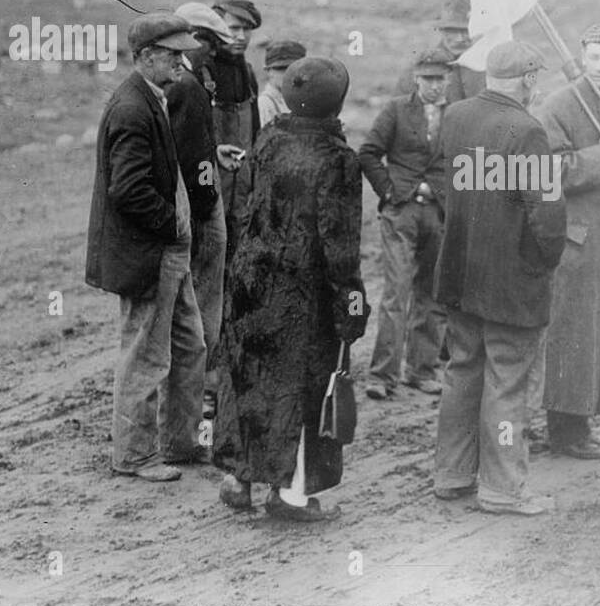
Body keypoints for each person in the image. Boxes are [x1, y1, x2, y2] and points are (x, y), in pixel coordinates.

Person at [213, 57, 370, 521]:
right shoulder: (338, 160)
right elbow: (340, 248)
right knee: (300, 390)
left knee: (246, 376)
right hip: (303, 294)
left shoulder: (268, 139)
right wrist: (353, 307)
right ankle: (290, 496)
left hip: (249, 279)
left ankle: (238, 478)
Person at [432, 40, 567, 515]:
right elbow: (548, 218)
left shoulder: (456, 115)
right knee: (507, 381)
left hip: (461, 273)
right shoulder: (528, 130)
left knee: (463, 371)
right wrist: (541, 264)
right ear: (528, 80)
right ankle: (503, 488)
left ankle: (451, 474)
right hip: (511, 280)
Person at [84, 12, 208, 481]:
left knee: (190, 344)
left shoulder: (152, 97)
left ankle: (179, 443)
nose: (181, 61)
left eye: (182, 52)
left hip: (166, 254)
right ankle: (133, 455)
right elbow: (128, 189)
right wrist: (172, 225)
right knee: (145, 355)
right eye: (172, 54)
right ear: (144, 58)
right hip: (151, 255)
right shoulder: (133, 108)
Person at [534, 23, 600, 459]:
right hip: (573, 244)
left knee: (596, 335)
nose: (598, 66)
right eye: (592, 57)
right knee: (572, 336)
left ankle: (581, 422)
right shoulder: (559, 105)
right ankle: (565, 431)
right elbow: (546, 173)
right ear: (581, 55)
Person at [359, 47, 453, 401]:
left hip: (438, 215)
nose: (434, 86)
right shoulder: (397, 109)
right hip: (401, 212)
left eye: (440, 78)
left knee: (431, 293)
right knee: (396, 293)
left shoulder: (456, 116)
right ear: (416, 78)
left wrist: (446, 196)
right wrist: (389, 191)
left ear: (448, 79)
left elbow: (466, 162)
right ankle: (382, 376)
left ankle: (421, 370)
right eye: (428, 78)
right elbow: (368, 152)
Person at [169, 2, 248, 425]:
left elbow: (196, 148)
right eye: (209, 42)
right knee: (197, 314)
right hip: (196, 213)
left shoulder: (199, 80)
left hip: (204, 204)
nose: (213, 51)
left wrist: (213, 155)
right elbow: (181, 155)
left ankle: (202, 396)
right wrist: (202, 212)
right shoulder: (186, 86)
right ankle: (193, 402)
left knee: (206, 311)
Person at [201, 0, 262, 259]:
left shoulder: (247, 74)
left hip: (242, 190)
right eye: (233, 28)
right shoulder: (203, 71)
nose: (240, 36)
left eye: (246, 29)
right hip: (210, 187)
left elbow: (257, 133)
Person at [394, 0, 485, 102]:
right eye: (452, 31)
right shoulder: (419, 68)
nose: (459, 39)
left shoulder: (488, 66)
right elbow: (399, 111)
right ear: (442, 30)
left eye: (466, 31)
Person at [257, 38, 307, 125]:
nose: (287, 74)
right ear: (268, 71)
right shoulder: (266, 103)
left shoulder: (302, 98)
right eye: (280, 68)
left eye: (292, 68)